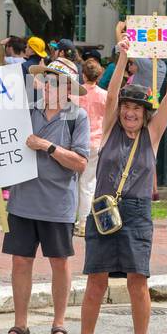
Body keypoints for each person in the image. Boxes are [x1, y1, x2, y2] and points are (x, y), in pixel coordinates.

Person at [74, 33, 167, 334]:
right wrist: (122, 55)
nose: (129, 113)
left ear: (144, 113)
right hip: (103, 210)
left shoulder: (151, 136)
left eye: (136, 109)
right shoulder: (109, 128)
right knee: (95, 279)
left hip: (137, 213)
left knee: (137, 280)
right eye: (126, 107)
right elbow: (111, 94)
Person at [0, 57, 90, 334]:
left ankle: (59, 324)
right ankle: (20, 325)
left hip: (57, 203)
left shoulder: (77, 117)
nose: (48, 86)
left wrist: (47, 146)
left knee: (59, 262)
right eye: (46, 80)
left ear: (68, 88)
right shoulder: (25, 111)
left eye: (56, 81)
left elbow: (81, 163)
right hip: (22, 200)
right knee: (20, 262)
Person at [75, 58, 107, 231]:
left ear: (83, 74)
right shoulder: (104, 95)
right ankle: (85, 221)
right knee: (89, 182)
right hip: (96, 140)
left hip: (77, 141)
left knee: (77, 182)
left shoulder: (75, 94)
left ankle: (80, 220)